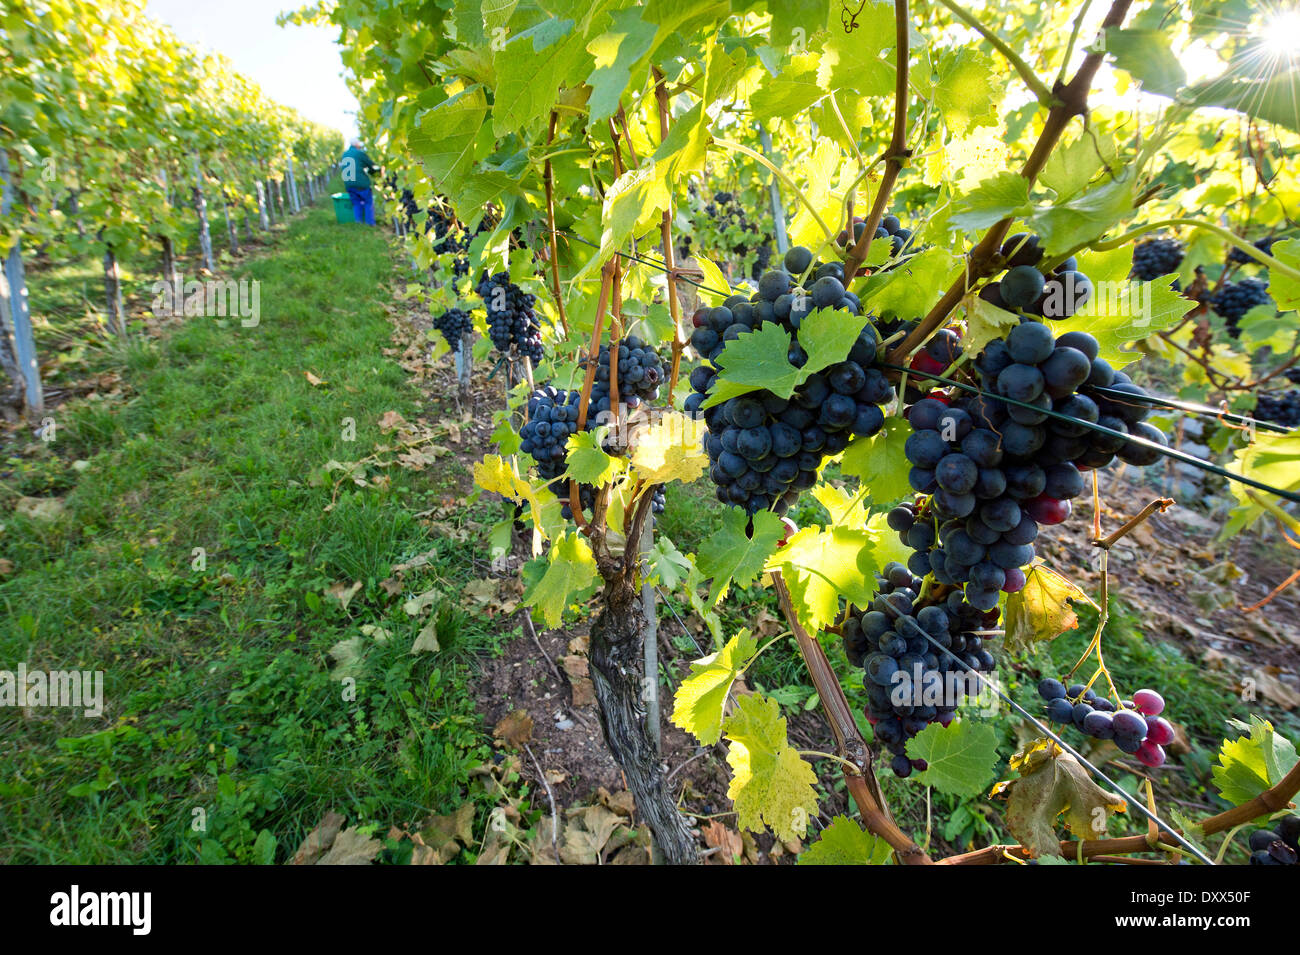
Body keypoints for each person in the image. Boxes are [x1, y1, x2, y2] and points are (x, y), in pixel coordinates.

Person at [339, 139, 379, 225]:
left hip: (348, 183)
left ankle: (358, 222)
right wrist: (377, 173)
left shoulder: (344, 154)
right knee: (368, 202)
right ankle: (370, 224)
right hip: (361, 183)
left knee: (356, 203)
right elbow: (371, 165)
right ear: (356, 144)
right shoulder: (359, 153)